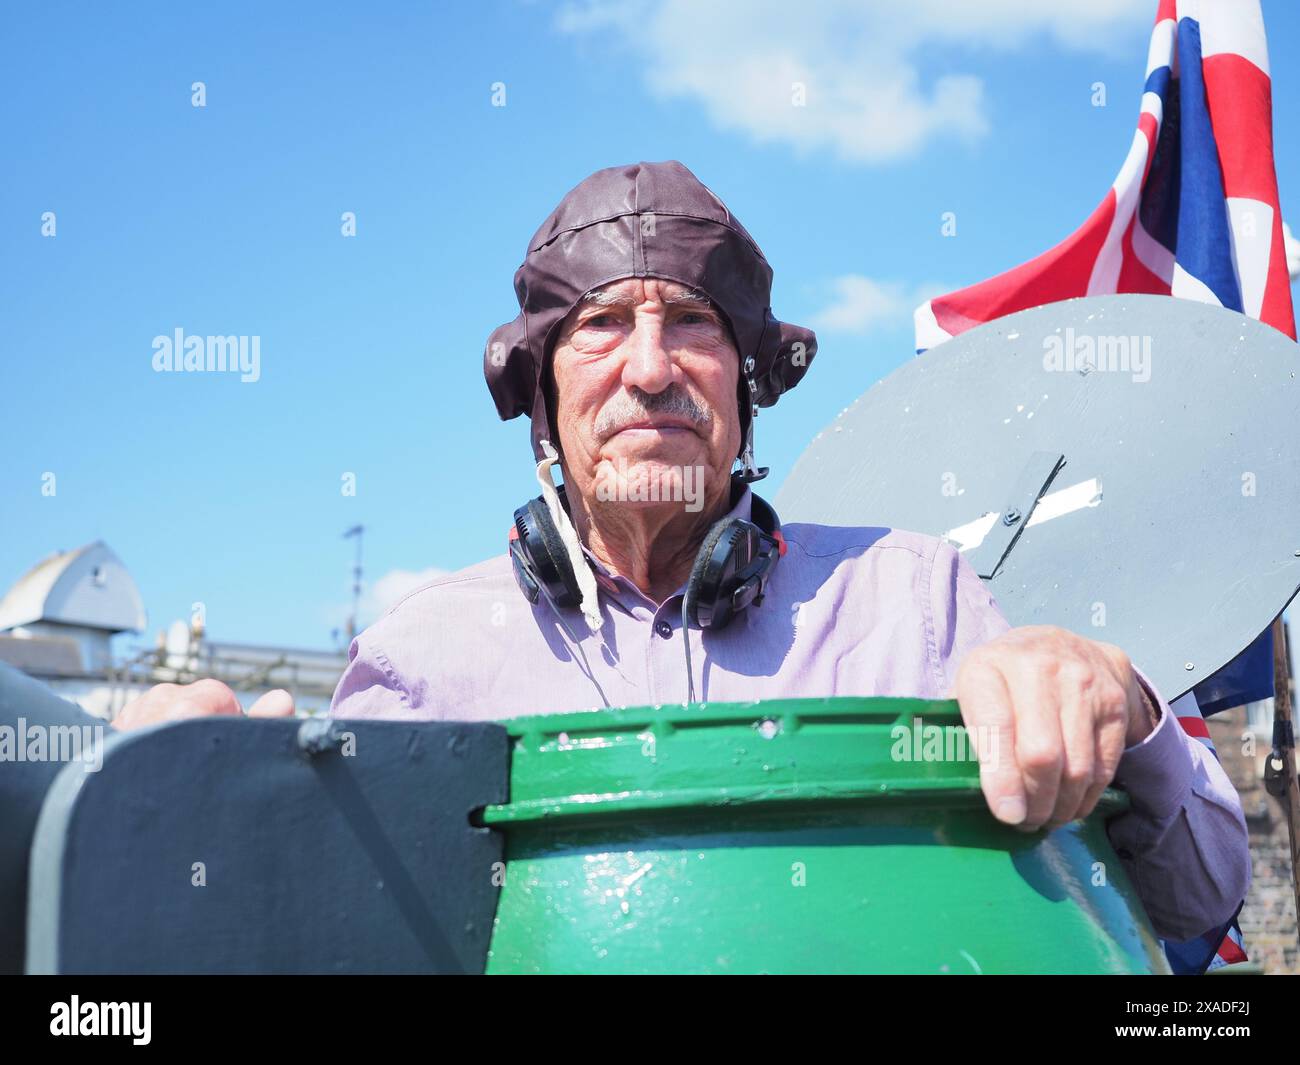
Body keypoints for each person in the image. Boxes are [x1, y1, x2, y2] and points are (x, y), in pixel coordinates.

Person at [118, 160, 1249, 949]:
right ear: (543, 402)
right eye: (601, 327)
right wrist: (170, 820)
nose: (650, 368)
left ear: (748, 391)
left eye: (693, 324)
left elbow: (1200, 897)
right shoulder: (420, 658)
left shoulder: (917, 599)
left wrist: (1121, 704)